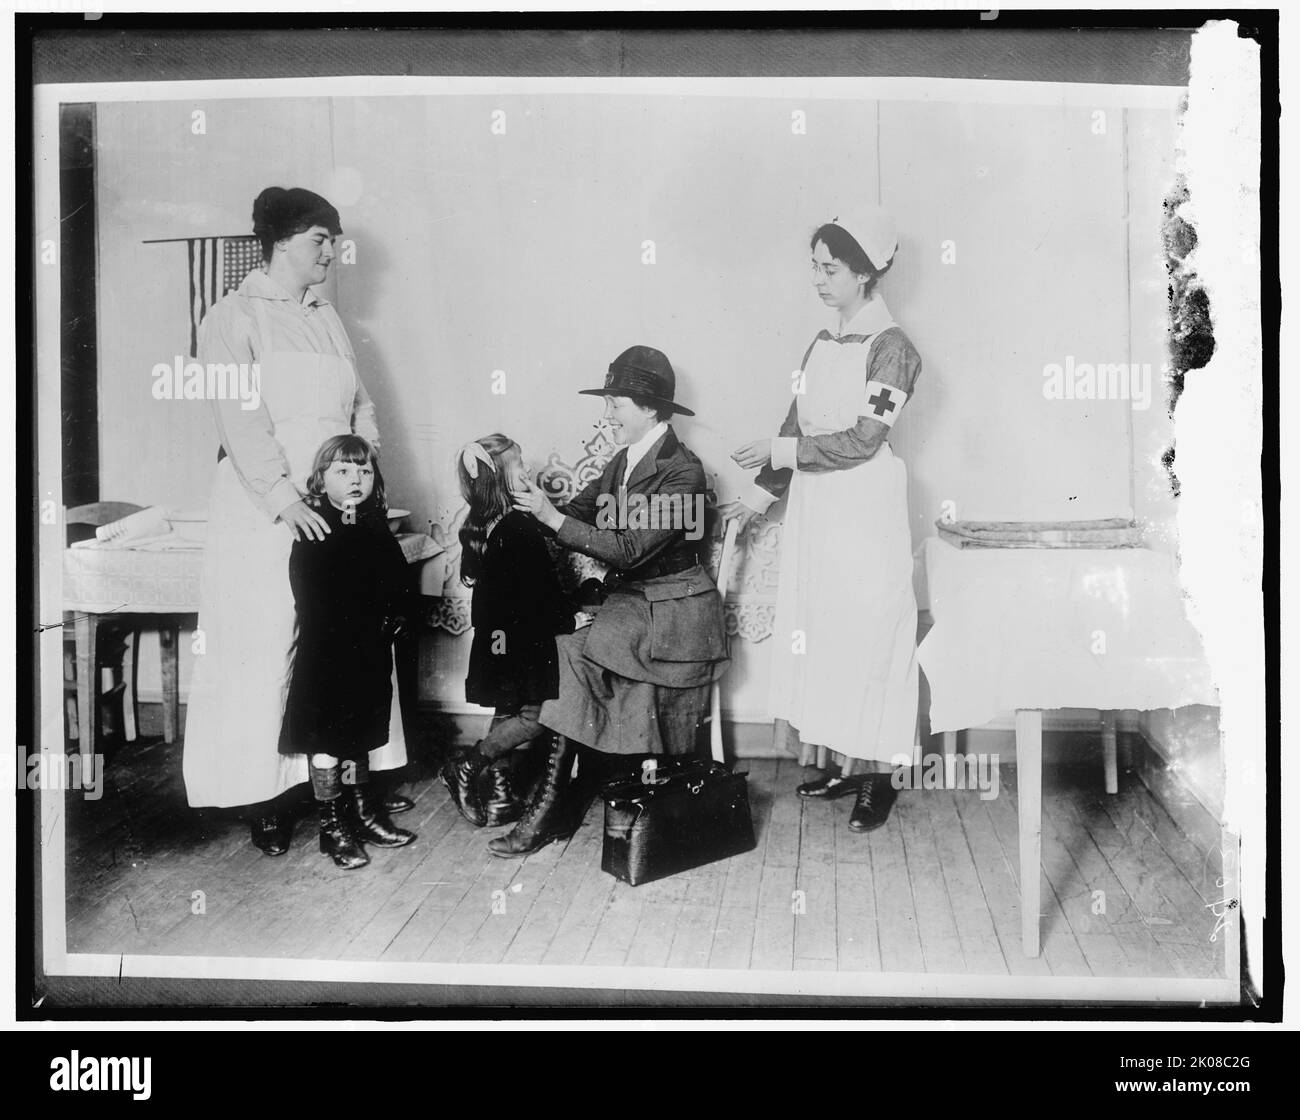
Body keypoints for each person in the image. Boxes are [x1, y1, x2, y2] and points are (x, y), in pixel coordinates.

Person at [182, 186, 411, 853]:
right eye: (320, 240)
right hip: (265, 510)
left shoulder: (328, 320)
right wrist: (286, 498)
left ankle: (351, 791)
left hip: (339, 507)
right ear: (281, 242)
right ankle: (267, 798)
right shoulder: (231, 317)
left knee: (349, 645)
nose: (332, 254)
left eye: (334, 241)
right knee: (266, 644)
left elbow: (361, 408)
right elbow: (239, 419)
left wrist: (358, 478)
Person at [723, 206, 921, 833]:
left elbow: (864, 440)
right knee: (828, 636)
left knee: (868, 638)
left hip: (863, 509)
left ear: (865, 274)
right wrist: (754, 503)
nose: (818, 279)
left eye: (829, 268)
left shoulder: (894, 350)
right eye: (814, 267)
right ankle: (842, 763)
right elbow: (794, 426)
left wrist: (783, 453)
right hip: (816, 509)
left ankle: (878, 779)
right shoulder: (821, 341)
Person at [500, 345, 729, 858]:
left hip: (676, 610)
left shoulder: (682, 473)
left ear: (648, 408)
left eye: (616, 404)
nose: (608, 415)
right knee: (565, 647)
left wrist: (552, 518)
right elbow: (574, 514)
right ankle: (552, 801)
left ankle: (549, 806)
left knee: (571, 653)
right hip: (637, 601)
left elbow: (628, 549)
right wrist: (518, 490)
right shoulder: (623, 461)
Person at [280, 435, 417, 868]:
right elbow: (310, 594)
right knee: (327, 741)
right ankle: (332, 825)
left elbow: (395, 579)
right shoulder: (316, 526)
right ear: (321, 480)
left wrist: (394, 615)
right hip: (328, 655)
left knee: (358, 735)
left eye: (363, 470)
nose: (356, 479)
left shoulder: (374, 524)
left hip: (367, 650)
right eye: (342, 471)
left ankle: (361, 811)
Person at [440, 434, 577, 828]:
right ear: (499, 479)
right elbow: (541, 596)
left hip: (497, 640)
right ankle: (467, 765)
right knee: (538, 716)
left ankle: (501, 795)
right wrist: (570, 619)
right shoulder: (520, 527)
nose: (528, 470)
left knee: (508, 710)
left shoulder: (490, 523)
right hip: (522, 641)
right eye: (519, 465)